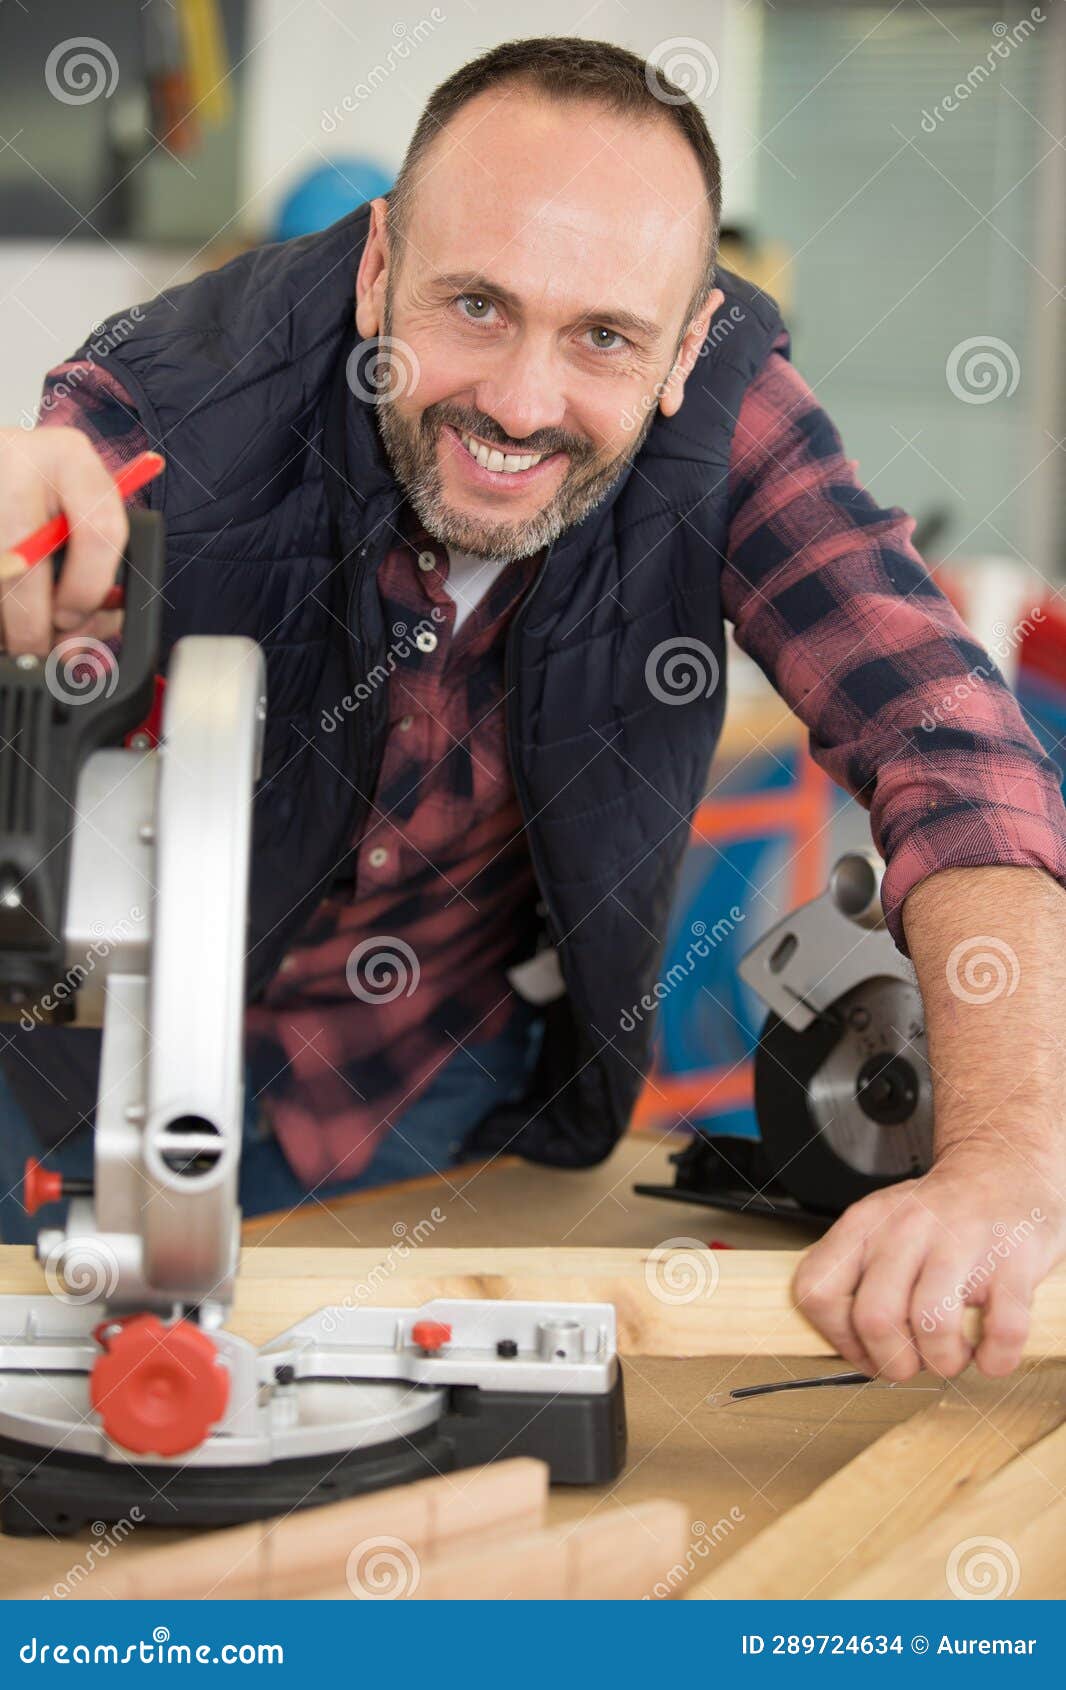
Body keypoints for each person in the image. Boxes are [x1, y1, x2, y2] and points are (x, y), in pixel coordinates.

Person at [1, 37, 1064, 1384]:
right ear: (378, 266)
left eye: (603, 337)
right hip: (73, 1096)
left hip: (429, 1105)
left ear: (685, 348)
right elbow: (52, 496)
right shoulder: (188, 385)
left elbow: (950, 744)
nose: (518, 401)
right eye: (476, 306)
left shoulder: (729, 417)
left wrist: (1008, 1156)